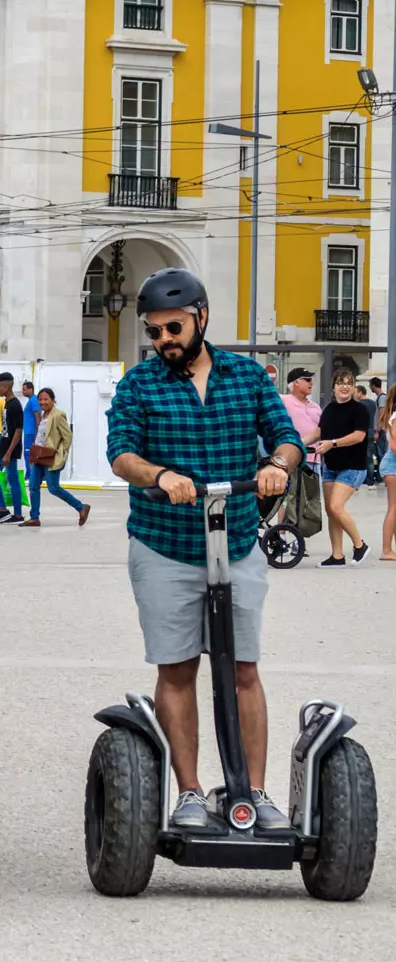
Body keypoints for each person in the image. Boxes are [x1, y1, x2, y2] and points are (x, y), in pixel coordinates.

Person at [105, 267, 302, 831]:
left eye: (173, 327)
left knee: (243, 669)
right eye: (155, 332)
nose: (164, 340)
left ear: (201, 318)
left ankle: (255, 794)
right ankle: (189, 792)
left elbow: (285, 437)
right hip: (165, 545)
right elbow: (120, 452)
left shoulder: (246, 376)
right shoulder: (139, 384)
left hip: (237, 542)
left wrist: (275, 466)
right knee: (176, 669)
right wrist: (159, 474)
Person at [314, 369, 372, 567]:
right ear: (334, 387)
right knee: (331, 512)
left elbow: (359, 436)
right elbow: (319, 431)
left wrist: (333, 443)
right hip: (331, 466)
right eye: (340, 382)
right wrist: (296, 442)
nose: (345, 386)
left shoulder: (359, 410)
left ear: (354, 387)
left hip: (353, 466)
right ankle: (337, 556)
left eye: (349, 382)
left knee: (336, 507)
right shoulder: (329, 409)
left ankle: (360, 545)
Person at [22, 387, 91, 527]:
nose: (42, 402)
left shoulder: (58, 415)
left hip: (51, 457)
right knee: (33, 486)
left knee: (53, 488)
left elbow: (67, 437)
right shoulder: (42, 415)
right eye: (40, 399)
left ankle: (81, 507)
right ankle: (34, 517)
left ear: (53, 400)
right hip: (39, 456)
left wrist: (61, 454)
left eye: (46, 399)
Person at [0, 372, 25, 523]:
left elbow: (18, 430)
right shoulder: (7, 403)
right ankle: (15, 513)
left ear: (6, 386)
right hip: (4, 446)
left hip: (9, 448)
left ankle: (7, 511)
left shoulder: (15, 405)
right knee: (11, 478)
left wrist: (8, 453)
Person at [280, 368, 322, 465]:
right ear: (296, 382)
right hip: (290, 458)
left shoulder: (316, 406)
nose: (312, 383)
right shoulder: (283, 400)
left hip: (313, 459)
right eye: (308, 380)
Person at [378, 396, 396, 561]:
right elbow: (394, 445)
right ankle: (386, 550)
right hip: (392, 466)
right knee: (393, 508)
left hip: (391, 465)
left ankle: (390, 549)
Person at [20, 379, 40, 456]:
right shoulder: (31, 400)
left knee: (28, 455)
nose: (22, 392)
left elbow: (38, 418)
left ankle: (29, 469)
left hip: (31, 433)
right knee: (27, 454)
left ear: (30, 389)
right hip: (28, 432)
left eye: (24, 390)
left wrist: (37, 435)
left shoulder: (34, 400)